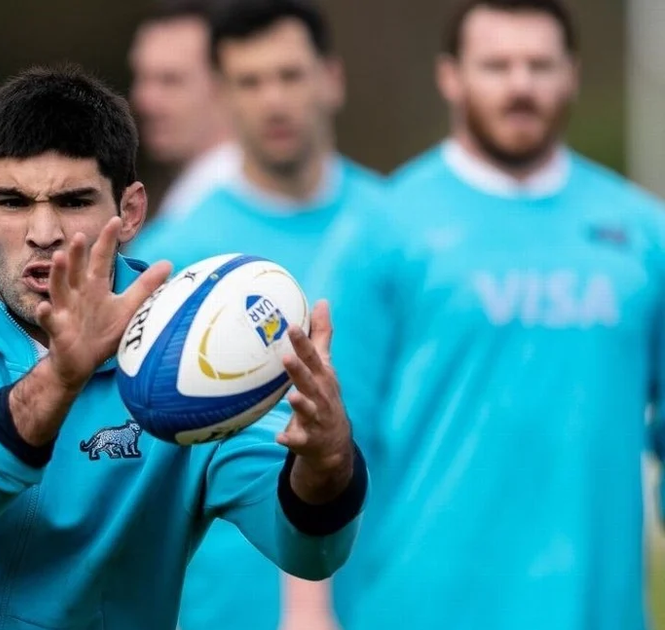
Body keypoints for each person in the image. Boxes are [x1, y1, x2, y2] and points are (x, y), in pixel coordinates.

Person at [0, 64, 368, 630]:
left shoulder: (191, 359)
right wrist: (62, 377)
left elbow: (309, 550)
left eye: (74, 201)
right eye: (11, 202)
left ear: (130, 211)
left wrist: (326, 461)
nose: (44, 232)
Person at [306, 1, 665, 629]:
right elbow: (318, 443)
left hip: (598, 608)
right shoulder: (382, 229)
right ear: (451, 76)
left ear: (571, 74)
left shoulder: (642, 232)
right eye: (497, 65)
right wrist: (306, 610)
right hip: (414, 608)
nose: (520, 84)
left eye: (539, 64)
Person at [127, 2, 384, 629]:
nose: (274, 101)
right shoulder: (168, 260)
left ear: (332, 79)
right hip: (217, 606)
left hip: (381, 591)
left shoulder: (399, 233)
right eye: (250, 81)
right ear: (220, 95)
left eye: (291, 76)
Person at [129, 0, 238, 222]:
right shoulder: (188, 197)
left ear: (227, 83)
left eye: (170, 80)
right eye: (141, 77)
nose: (144, 100)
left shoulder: (223, 209)